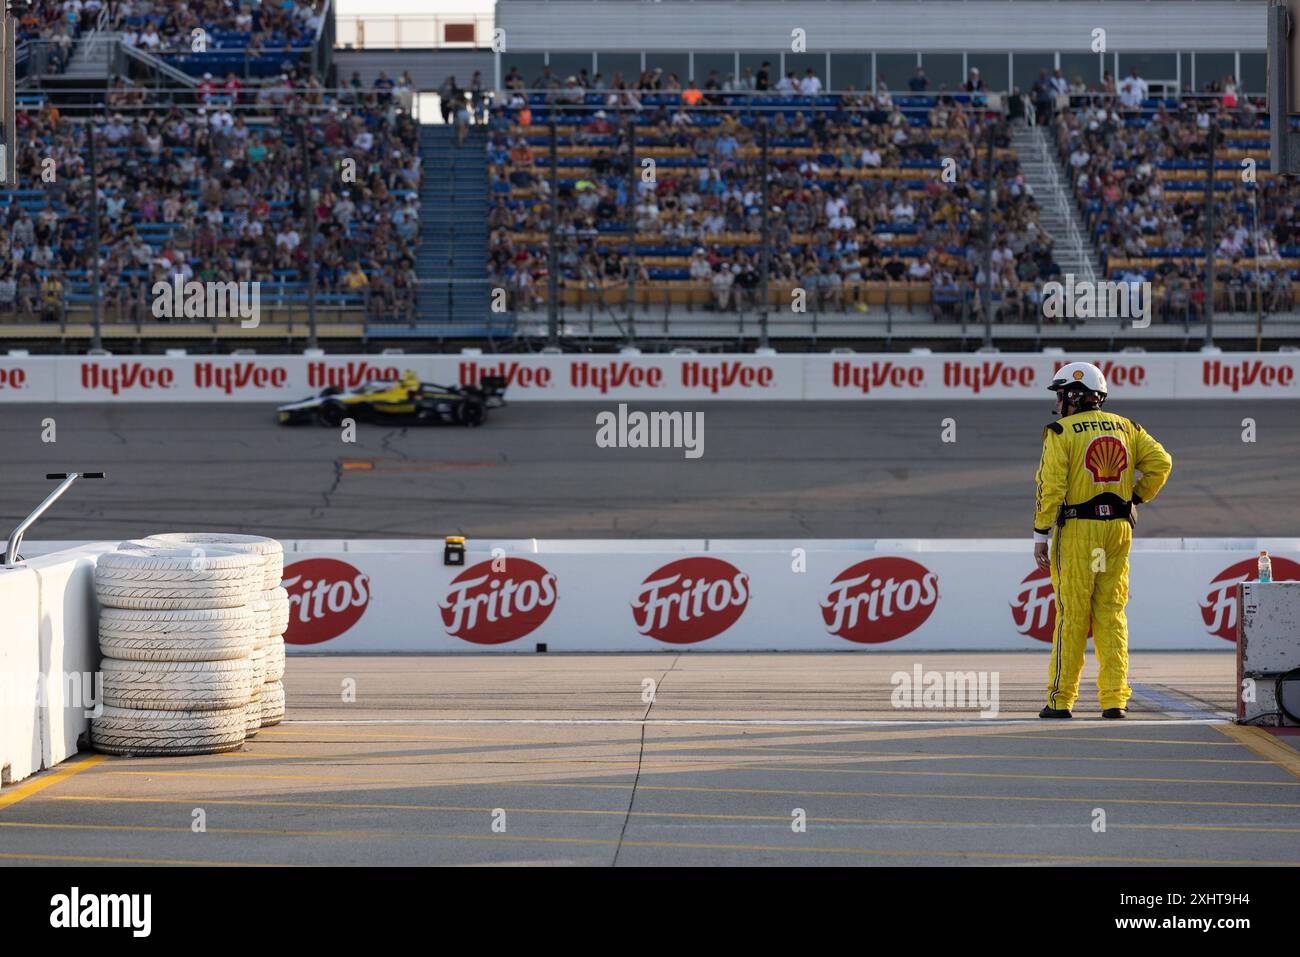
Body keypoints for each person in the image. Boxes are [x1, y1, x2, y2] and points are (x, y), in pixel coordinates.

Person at [1033, 362, 1173, 720]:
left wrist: (1040, 532)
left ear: (1079, 395)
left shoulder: (1060, 432)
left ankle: (1061, 700)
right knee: (1112, 615)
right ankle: (1114, 700)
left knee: (1072, 616)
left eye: (1062, 394)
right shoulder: (1128, 426)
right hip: (1118, 530)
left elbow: (1052, 488)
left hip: (1079, 531)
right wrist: (1136, 498)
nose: (1059, 401)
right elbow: (1161, 463)